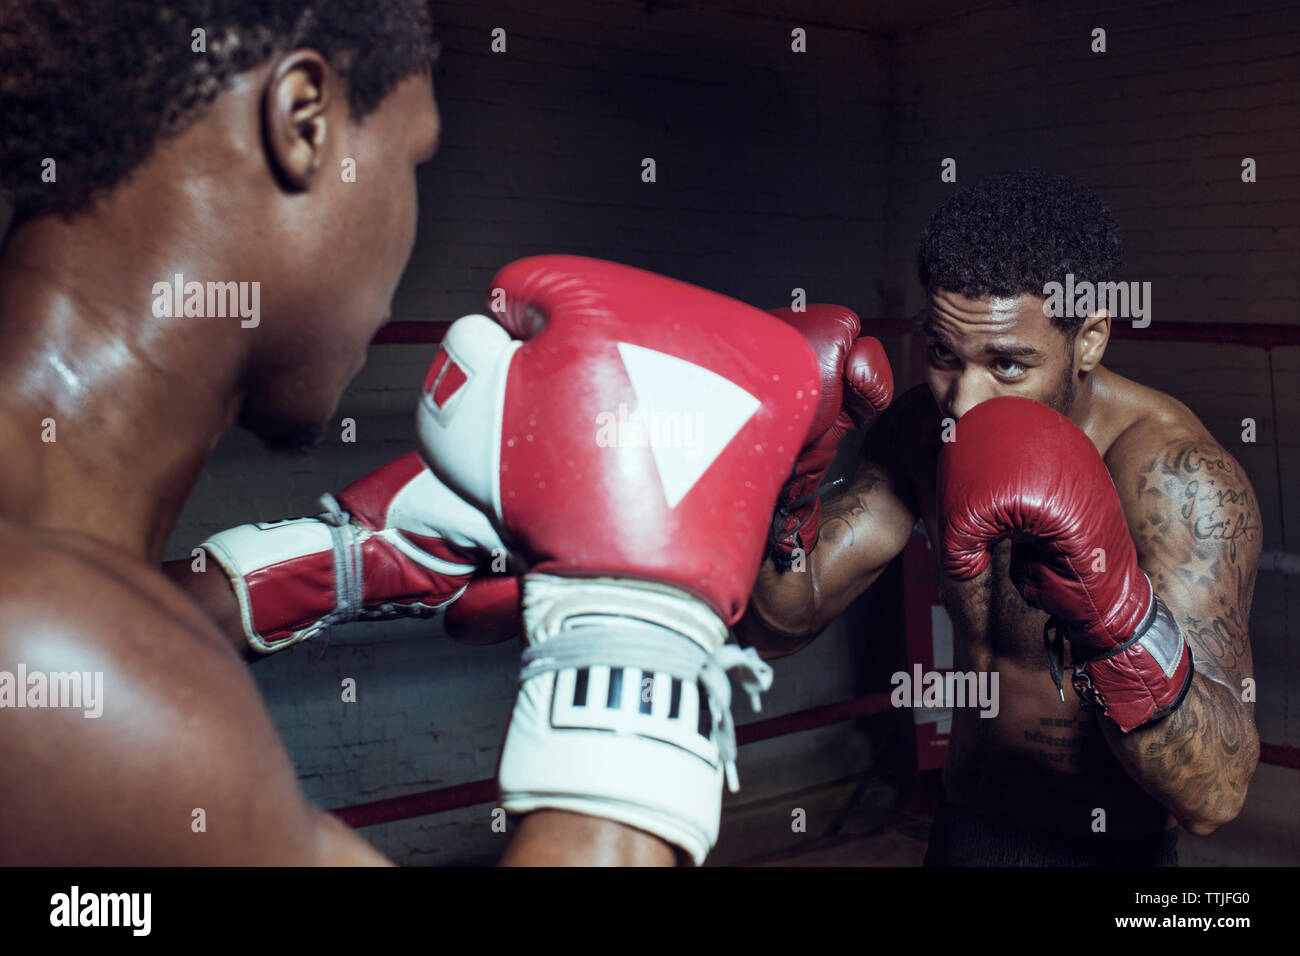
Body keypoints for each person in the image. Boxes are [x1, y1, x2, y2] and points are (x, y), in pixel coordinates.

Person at [0, 2, 818, 866]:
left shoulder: (59, 603)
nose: (408, 225)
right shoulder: (59, 662)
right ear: (303, 122)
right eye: (412, 161)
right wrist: (634, 637)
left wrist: (346, 561)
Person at [739, 170, 1262, 866]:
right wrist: (785, 496)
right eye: (944, 356)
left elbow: (1215, 796)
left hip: (1108, 852)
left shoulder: (1178, 479)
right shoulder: (921, 432)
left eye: (1009, 365)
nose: (964, 401)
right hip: (964, 830)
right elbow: (781, 625)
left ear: (1090, 339)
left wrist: (1115, 623)